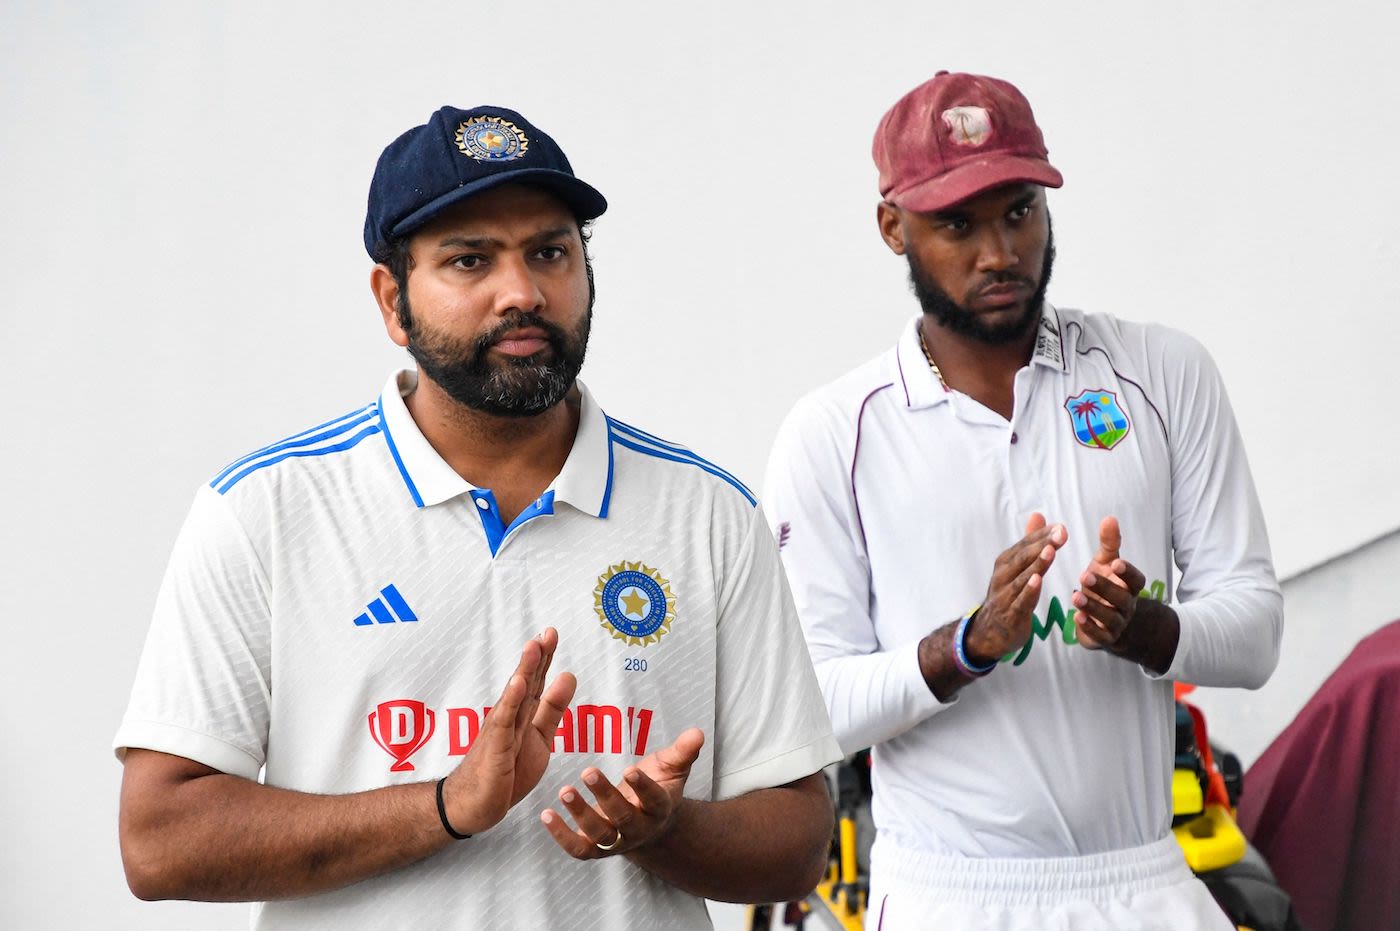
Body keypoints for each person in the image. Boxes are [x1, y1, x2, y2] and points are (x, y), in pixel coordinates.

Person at [114, 104, 840, 929]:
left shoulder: (709, 514)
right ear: (393, 301)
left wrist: (664, 831)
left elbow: (797, 841)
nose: (523, 293)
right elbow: (159, 841)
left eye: (550, 253)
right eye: (470, 260)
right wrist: (446, 805)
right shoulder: (266, 510)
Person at [763, 72, 1283, 930]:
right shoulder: (833, 433)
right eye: (957, 224)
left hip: (1147, 878)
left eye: (1019, 212)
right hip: (948, 898)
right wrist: (966, 646)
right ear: (892, 227)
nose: (1000, 252)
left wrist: (1146, 629)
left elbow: (1256, 630)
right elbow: (812, 709)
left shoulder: (1161, 373)